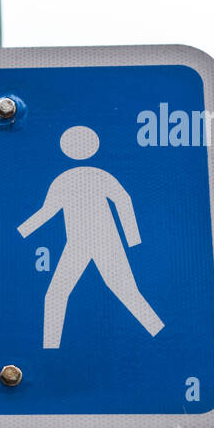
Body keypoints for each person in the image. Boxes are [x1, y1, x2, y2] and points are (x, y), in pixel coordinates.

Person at [18, 125, 164, 349]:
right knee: (57, 293)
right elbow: (50, 210)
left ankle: (161, 334)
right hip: (80, 244)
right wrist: (23, 231)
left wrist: (133, 237)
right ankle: (50, 348)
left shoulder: (71, 178)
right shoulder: (76, 178)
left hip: (103, 242)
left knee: (121, 290)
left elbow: (123, 200)